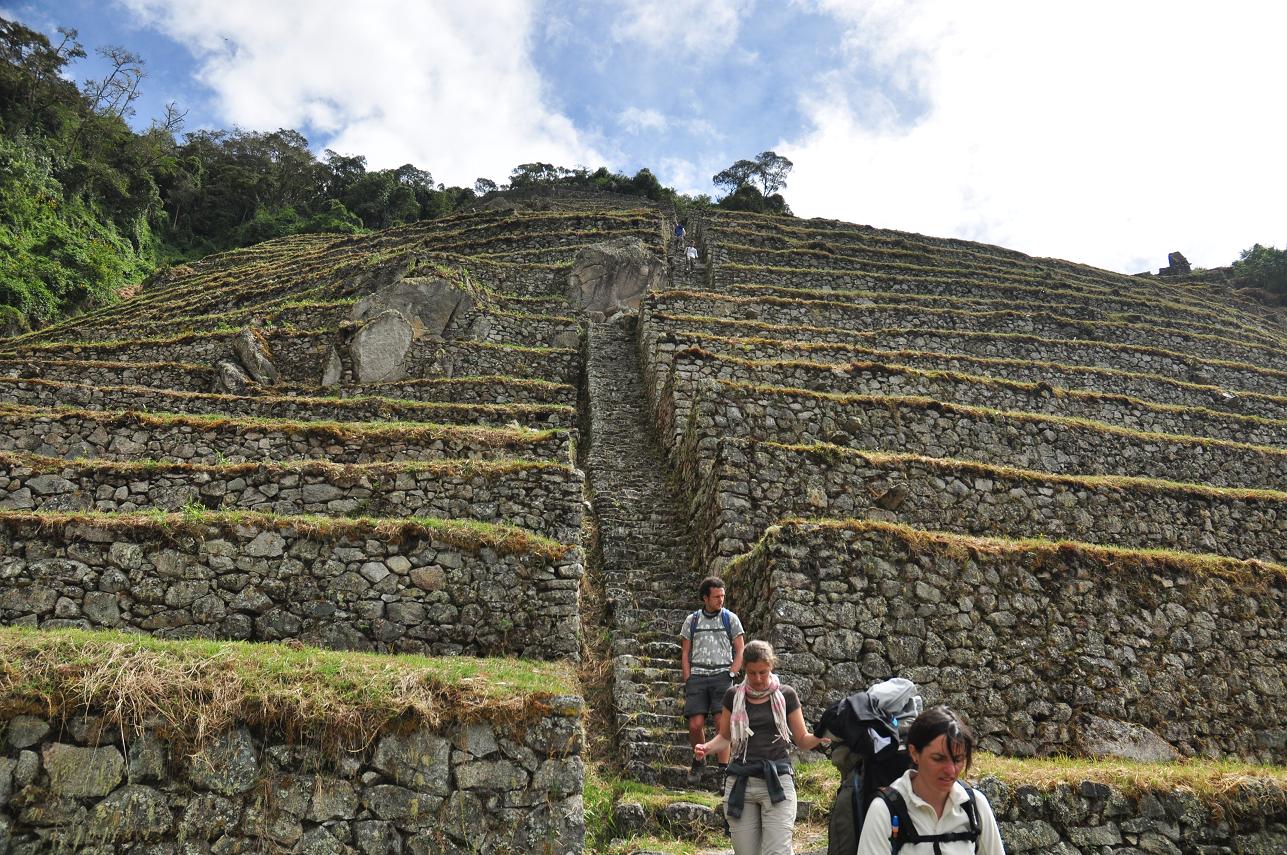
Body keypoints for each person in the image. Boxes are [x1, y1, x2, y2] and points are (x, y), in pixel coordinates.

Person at [696, 639, 830, 855]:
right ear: (744, 670)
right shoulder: (733, 696)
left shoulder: (787, 695)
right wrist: (706, 747)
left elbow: (803, 739)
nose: (758, 679)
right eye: (752, 673)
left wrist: (821, 736)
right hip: (741, 782)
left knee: (777, 852)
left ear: (771, 667)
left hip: (777, 780)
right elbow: (724, 737)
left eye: (763, 672)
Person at [856, 706, 1005, 855]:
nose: (951, 771)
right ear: (914, 753)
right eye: (938, 759)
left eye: (958, 759)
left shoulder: (975, 806)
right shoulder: (884, 811)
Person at [681, 576, 745, 785]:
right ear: (705, 598)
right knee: (695, 724)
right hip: (698, 677)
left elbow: (740, 649)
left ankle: (722, 771)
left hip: (722, 678)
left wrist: (732, 673)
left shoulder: (731, 619)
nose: (721, 600)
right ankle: (699, 761)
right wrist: (688, 677)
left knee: (722, 724)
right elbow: (685, 652)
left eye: (723, 596)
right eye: (716, 596)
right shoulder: (692, 621)